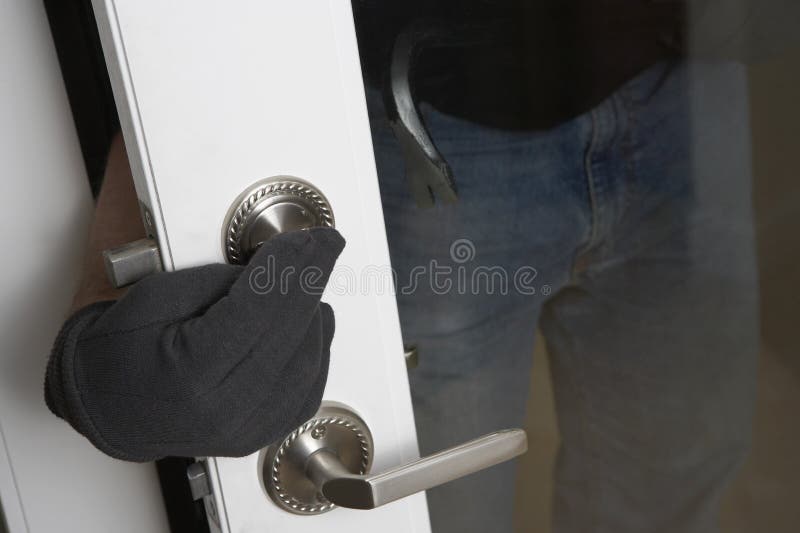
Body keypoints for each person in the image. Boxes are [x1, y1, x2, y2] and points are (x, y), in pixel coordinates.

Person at [45, 0, 799, 531]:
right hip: (433, 121)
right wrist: (100, 306)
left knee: (678, 463)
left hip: (686, 73)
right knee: (432, 503)